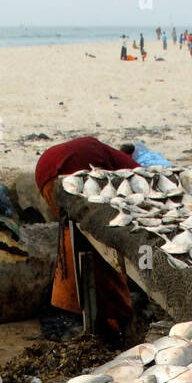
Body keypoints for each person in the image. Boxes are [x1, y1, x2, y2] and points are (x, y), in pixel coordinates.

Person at [34, 137, 137, 339]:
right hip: (62, 178)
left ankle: (75, 309)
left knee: (74, 239)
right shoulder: (133, 172)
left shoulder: (109, 158)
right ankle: (86, 314)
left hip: (47, 171)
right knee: (92, 245)